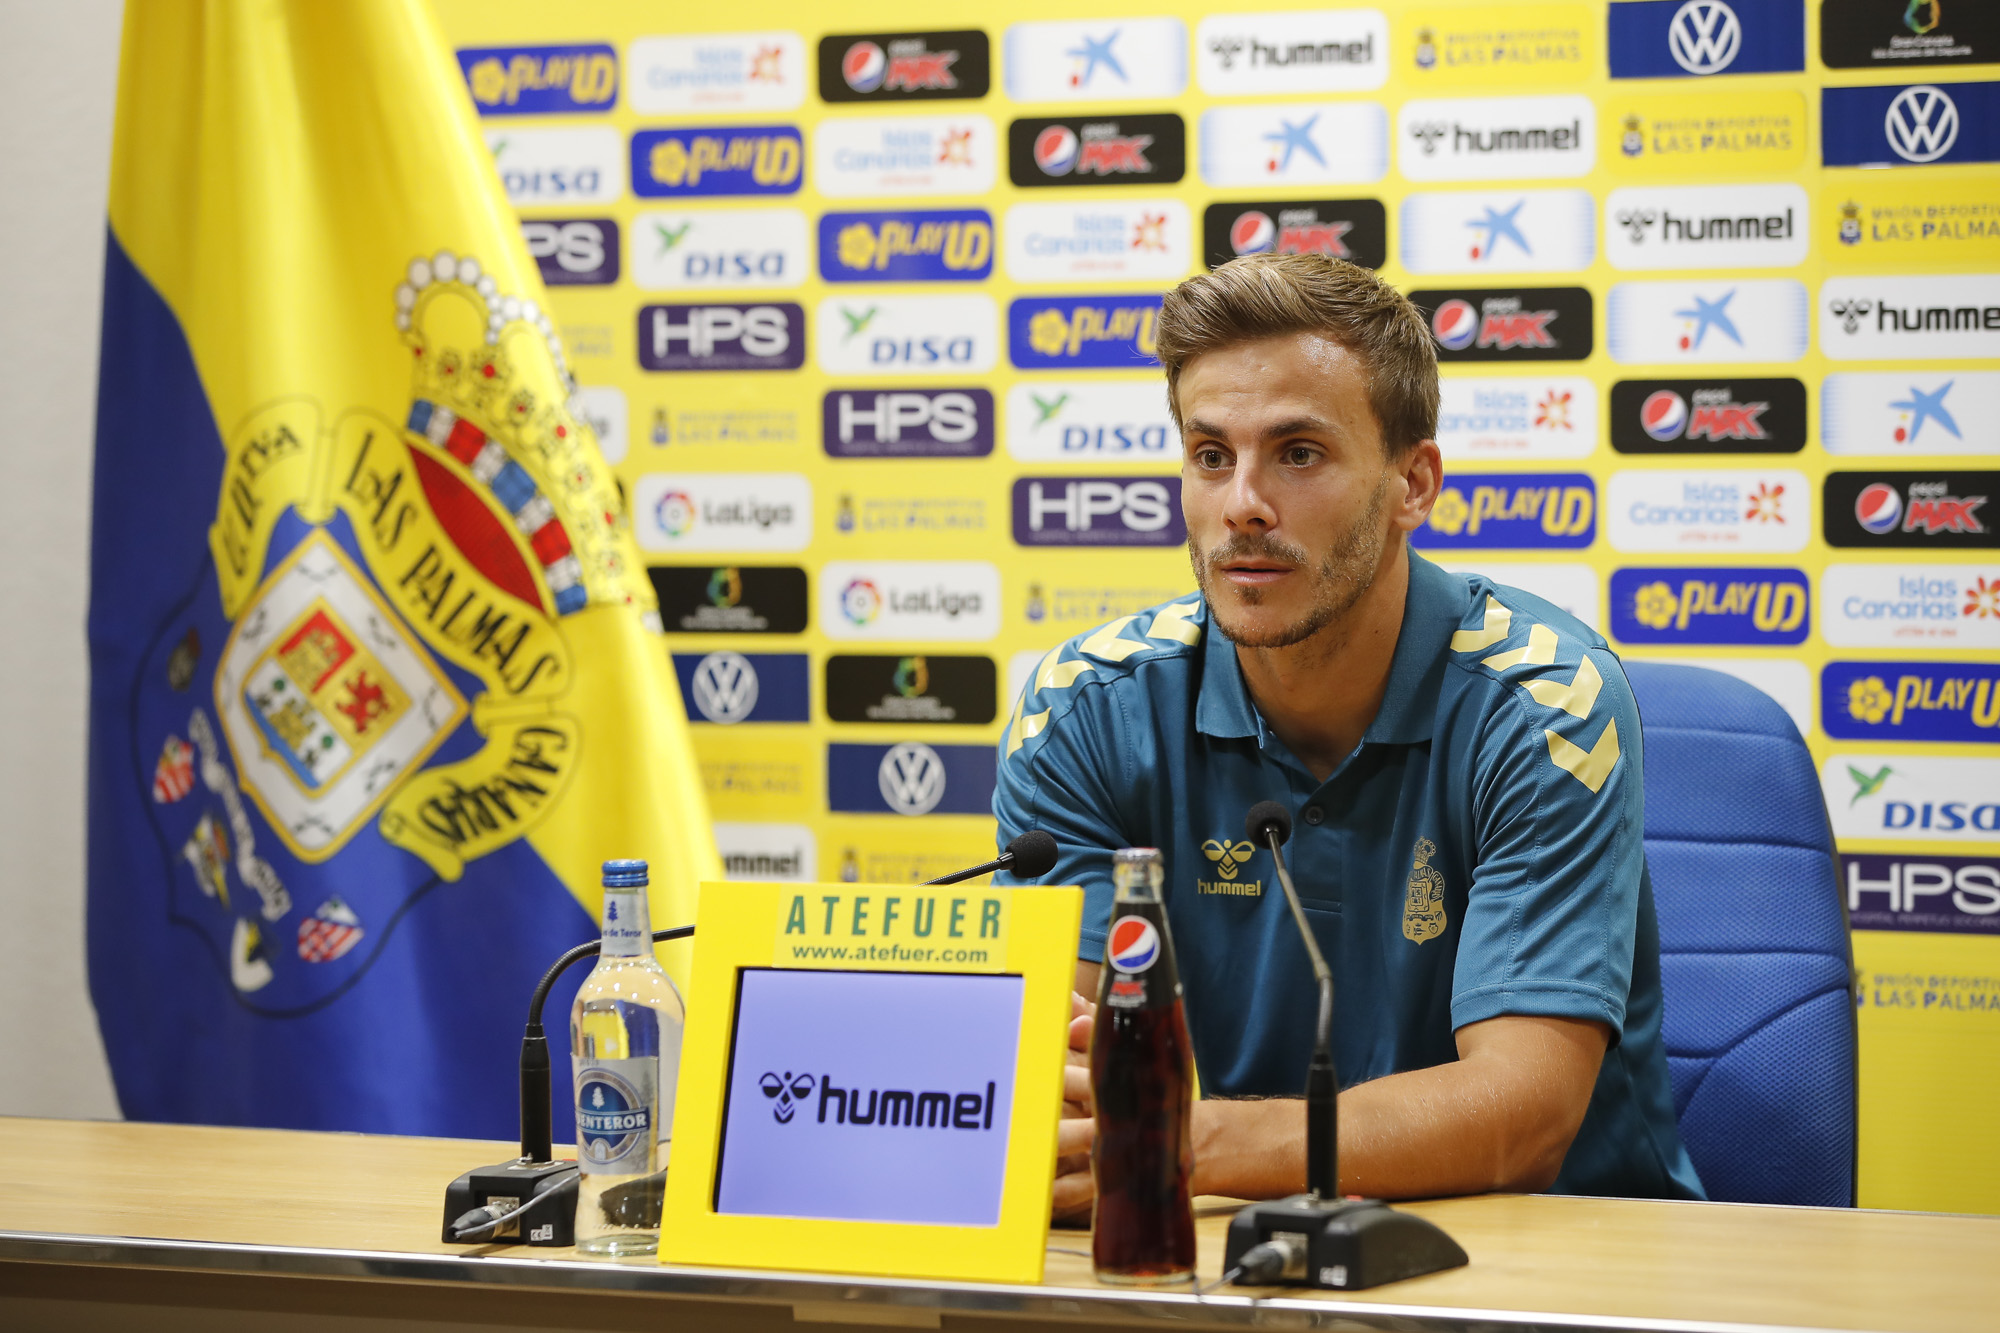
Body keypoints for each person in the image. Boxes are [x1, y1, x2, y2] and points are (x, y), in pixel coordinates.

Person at [993, 254, 1703, 1217]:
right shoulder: (1083, 709)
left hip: (1548, 1266)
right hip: (1216, 1245)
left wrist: (1186, 1138)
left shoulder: (1544, 703)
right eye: (1211, 455)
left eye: (1297, 452)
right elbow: (1055, 1064)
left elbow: (1524, 1113)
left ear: (1413, 484)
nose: (1241, 502)